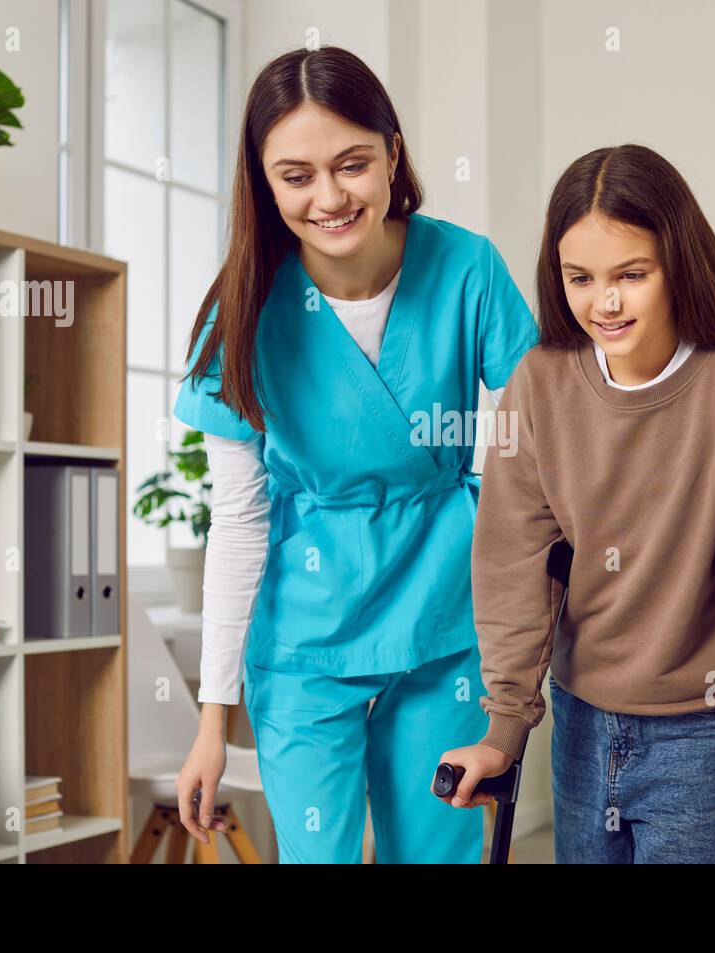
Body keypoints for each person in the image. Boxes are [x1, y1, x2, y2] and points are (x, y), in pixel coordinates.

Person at [171, 46, 537, 863]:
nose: (330, 198)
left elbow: (543, 446)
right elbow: (237, 522)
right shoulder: (242, 312)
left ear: (393, 154)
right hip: (304, 636)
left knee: (435, 851)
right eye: (295, 175)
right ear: (263, 183)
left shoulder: (466, 268)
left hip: (443, 614)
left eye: (352, 164)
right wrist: (210, 722)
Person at [438, 144, 715, 863]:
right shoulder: (538, 384)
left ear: (679, 264)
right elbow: (513, 565)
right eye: (581, 278)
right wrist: (502, 729)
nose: (606, 301)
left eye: (633, 274)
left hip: (707, 738)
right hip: (582, 727)